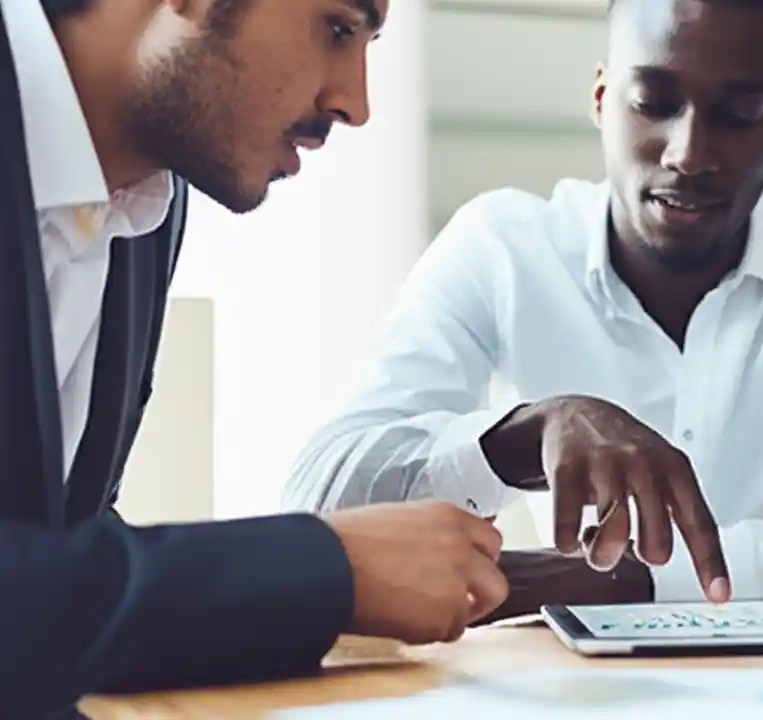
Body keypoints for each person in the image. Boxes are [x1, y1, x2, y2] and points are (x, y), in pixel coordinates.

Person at [284, 0, 763, 620]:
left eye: (738, 114)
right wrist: (516, 438)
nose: (689, 154)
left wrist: (616, 580)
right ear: (602, 97)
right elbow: (318, 512)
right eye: (652, 102)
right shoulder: (500, 247)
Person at [0, 0, 508, 716]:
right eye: (337, 28)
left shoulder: (145, 199)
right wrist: (323, 570)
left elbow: (56, 549)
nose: (355, 103)